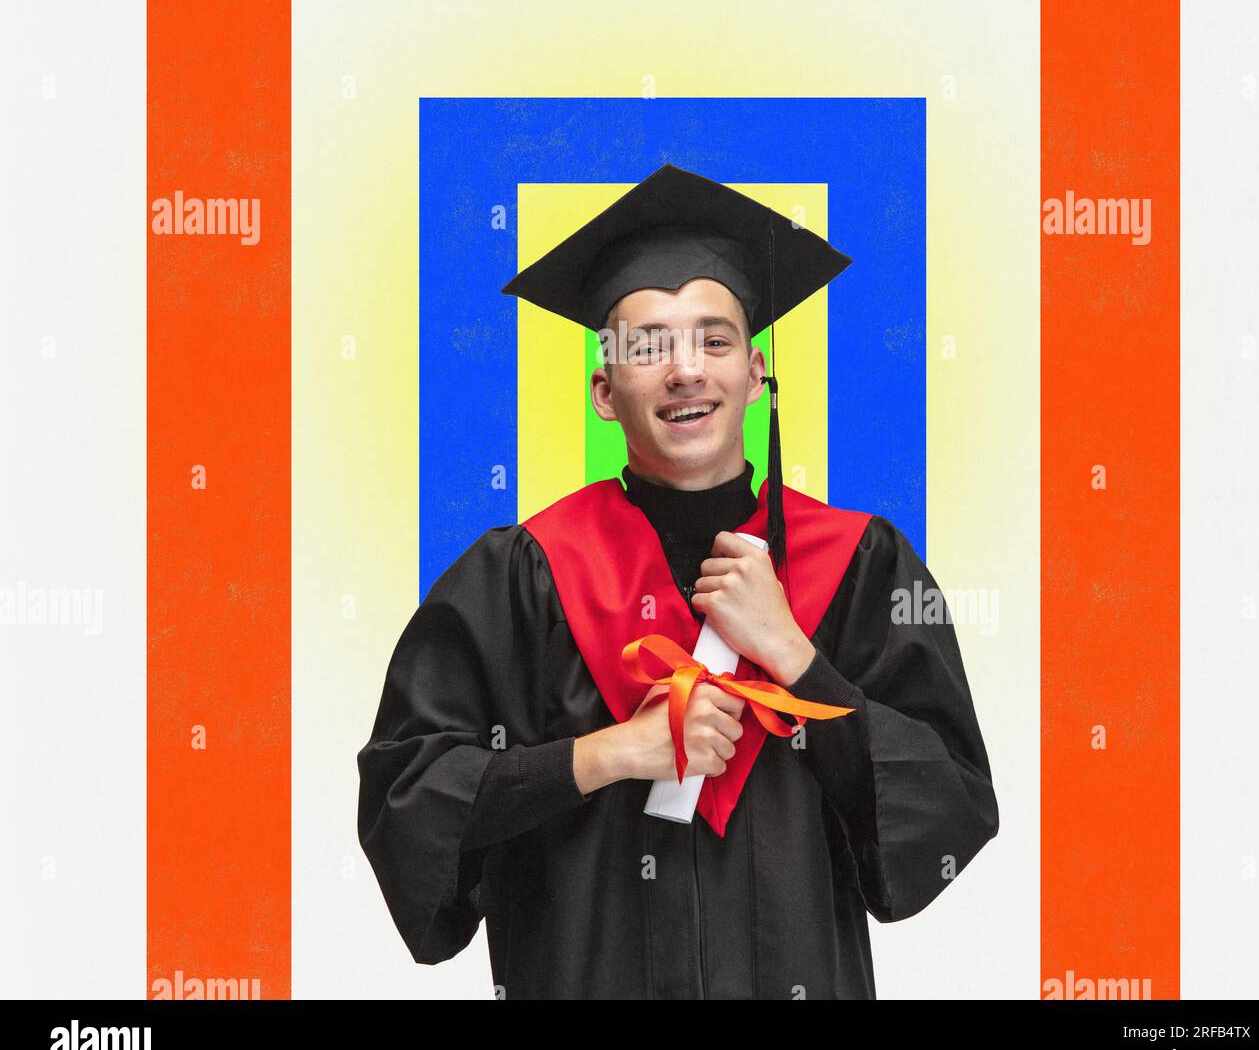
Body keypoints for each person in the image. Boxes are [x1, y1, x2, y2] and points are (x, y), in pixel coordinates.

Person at [356, 163, 999, 1000]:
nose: (685, 369)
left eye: (714, 339)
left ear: (757, 372)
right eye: (648, 346)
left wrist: (798, 659)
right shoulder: (520, 578)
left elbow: (948, 802)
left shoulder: (860, 565)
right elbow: (408, 804)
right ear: (604, 392)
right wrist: (608, 753)